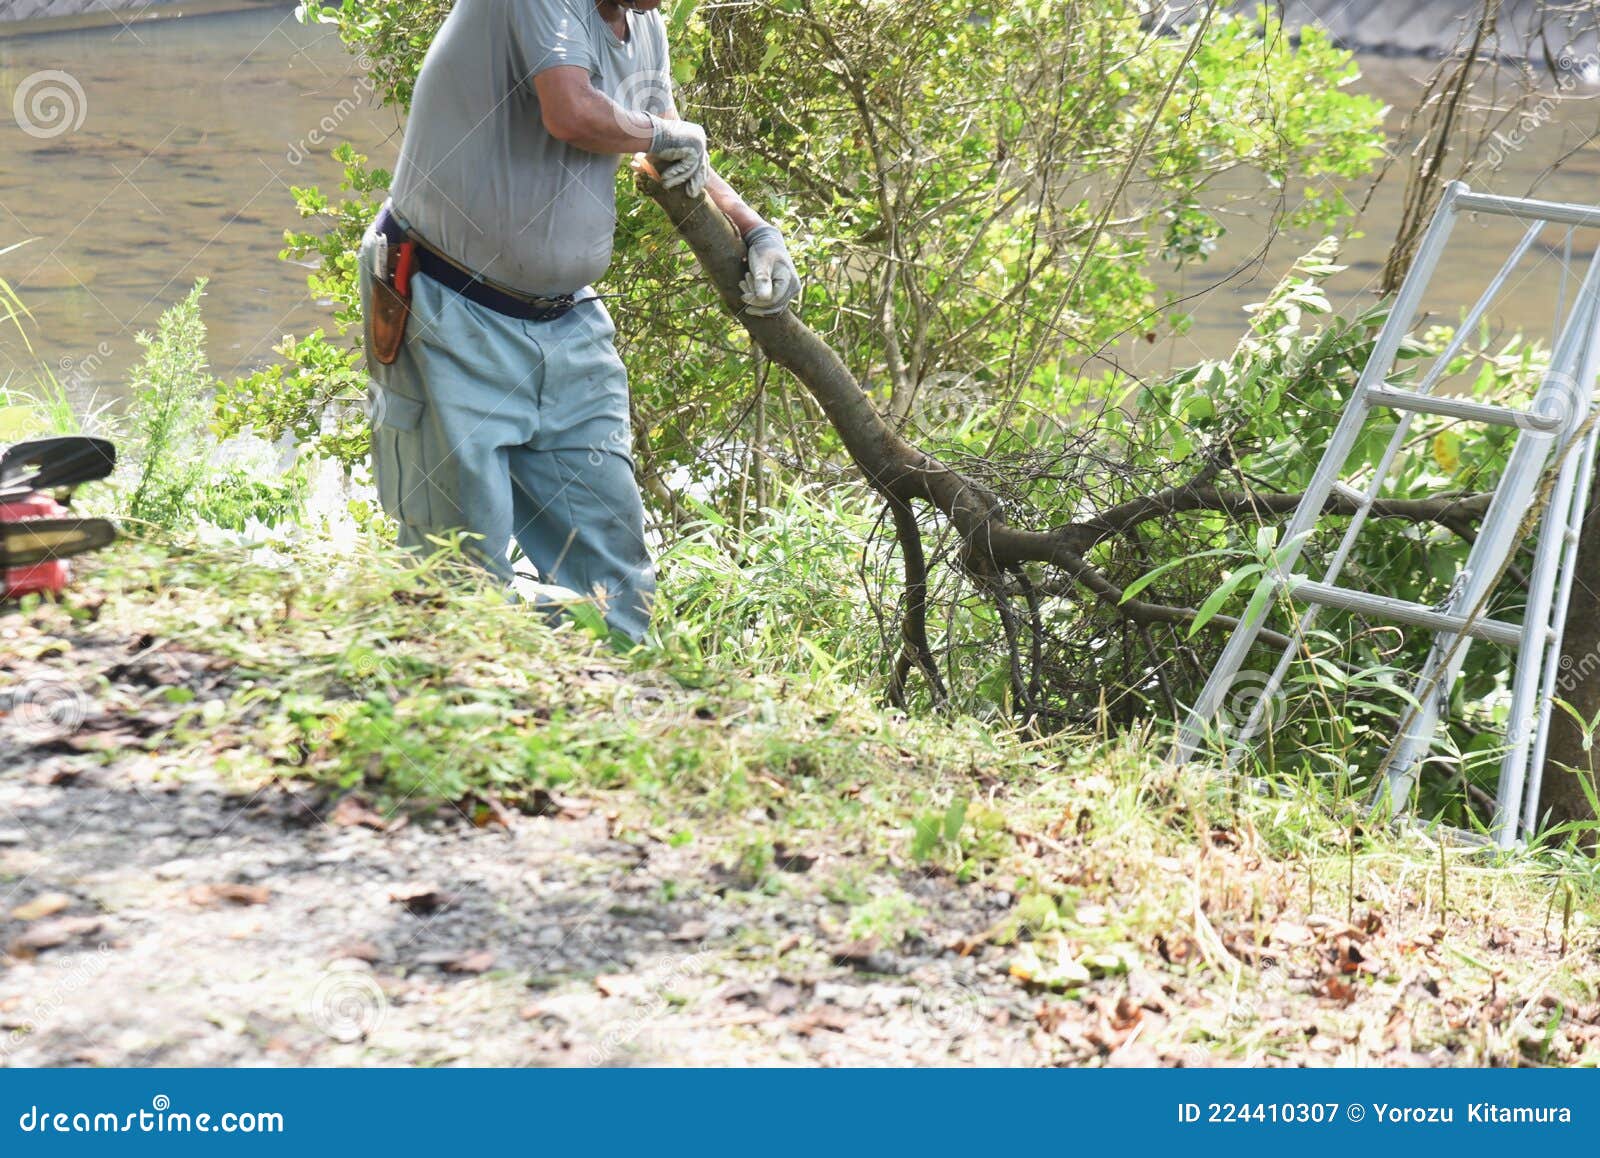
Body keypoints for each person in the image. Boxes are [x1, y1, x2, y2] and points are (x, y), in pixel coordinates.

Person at [358, 0, 800, 643]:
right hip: (445, 309)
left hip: (568, 327)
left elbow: (664, 146)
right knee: (455, 581)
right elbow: (571, 112)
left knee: (618, 591)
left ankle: (607, 727)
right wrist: (662, 135)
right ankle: (432, 716)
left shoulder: (643, 21)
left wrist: (753, 227)